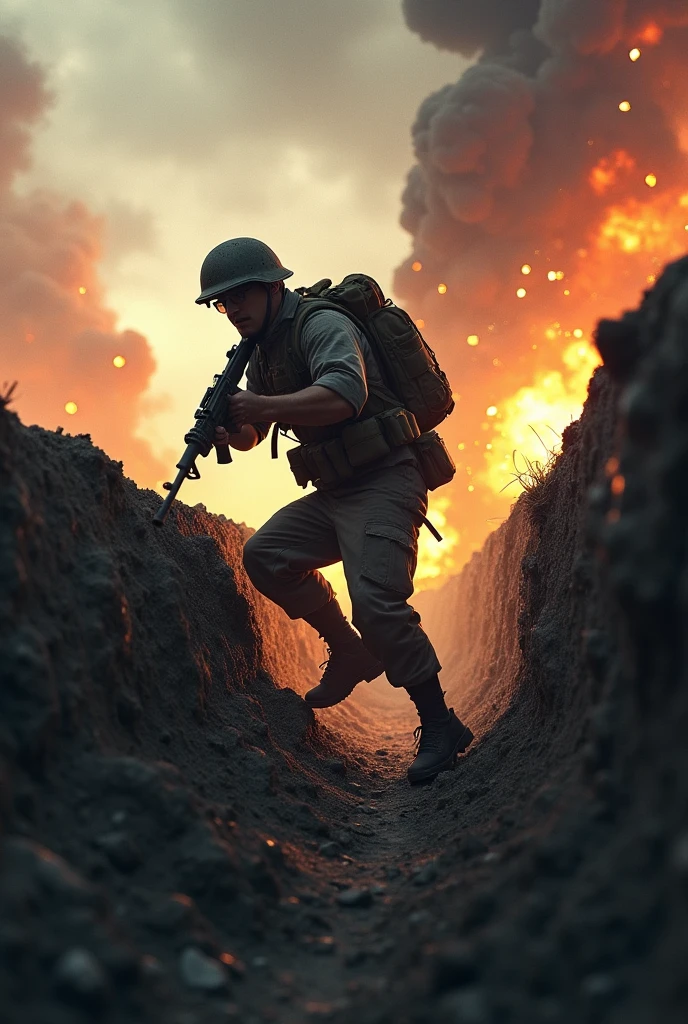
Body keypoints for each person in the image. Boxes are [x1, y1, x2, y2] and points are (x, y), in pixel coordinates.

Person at [196, 237, 473, 783]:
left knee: (377, 602)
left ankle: (442, 725)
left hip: (388, 477)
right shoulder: (264, 348)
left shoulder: (320, 325)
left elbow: (345, 394)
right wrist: (235, 427)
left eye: (243, 294)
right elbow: (257, 430)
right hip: (337, 489)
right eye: (223, 303)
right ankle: (348, 651)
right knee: (266, 555)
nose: (234, 310)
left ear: (274, 285)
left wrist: (263, 406)